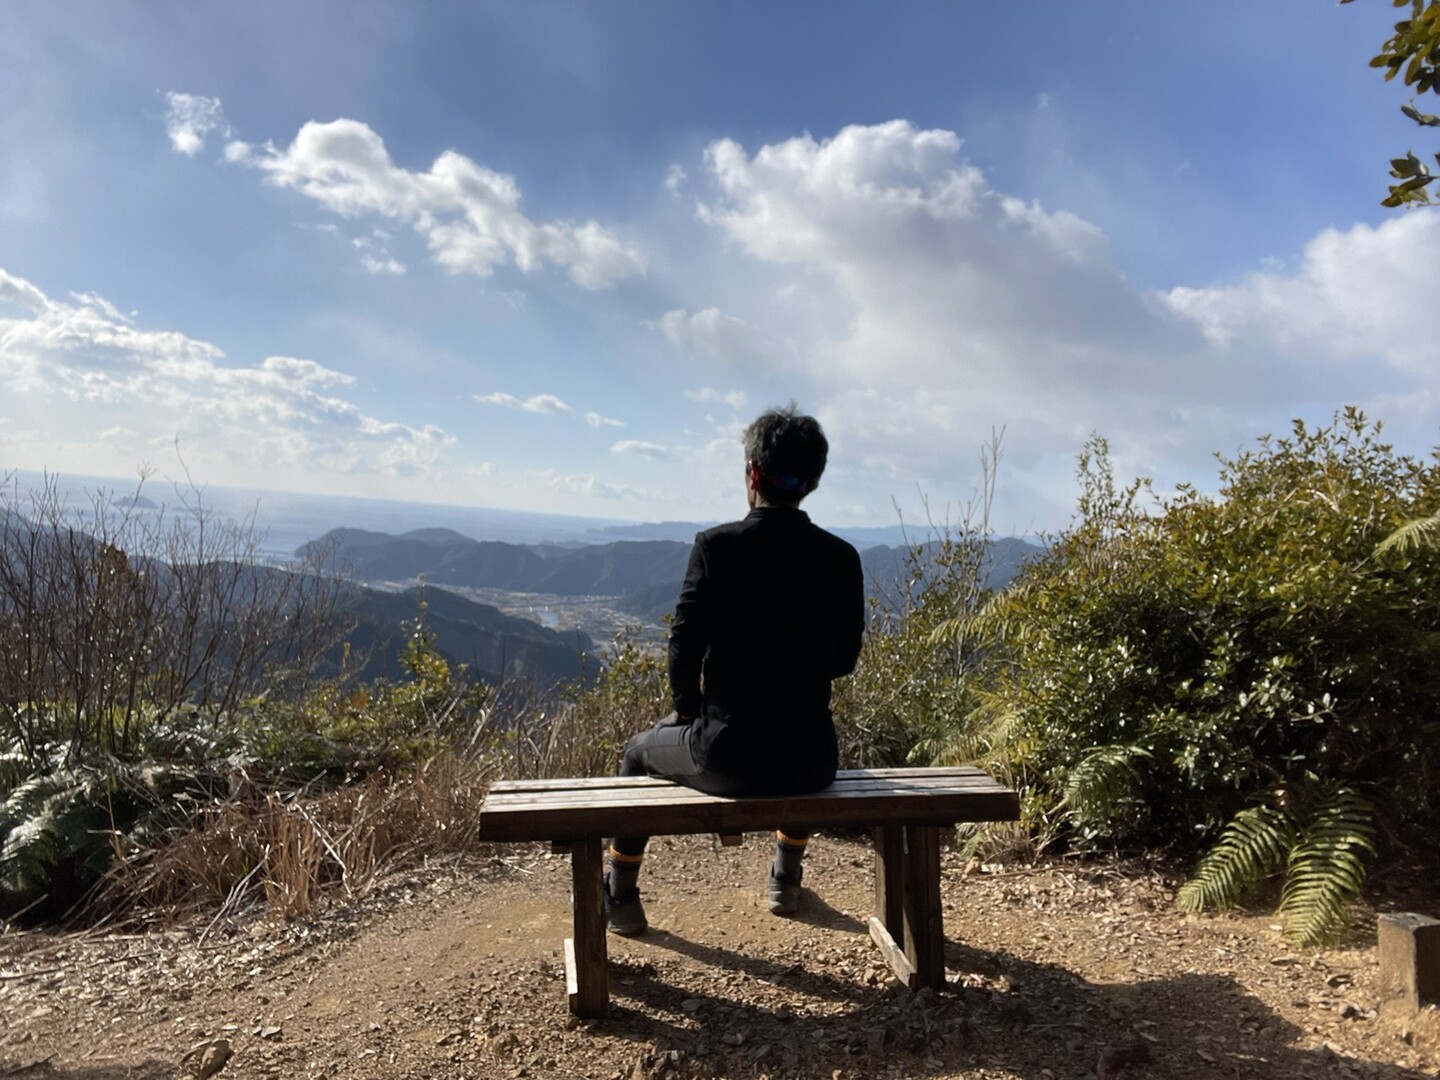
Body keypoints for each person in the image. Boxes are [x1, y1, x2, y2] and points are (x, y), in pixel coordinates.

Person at [604, 404, 865, 935]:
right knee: (792, 739)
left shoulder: (716, 547)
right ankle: (785, 878)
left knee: (636, 751)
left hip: (727, 759)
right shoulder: (841, 557)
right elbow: (844, 661)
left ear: (752, 475)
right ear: (812, 482)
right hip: (812, 760)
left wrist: (687, 711)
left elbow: (683, 644)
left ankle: (620, 894)